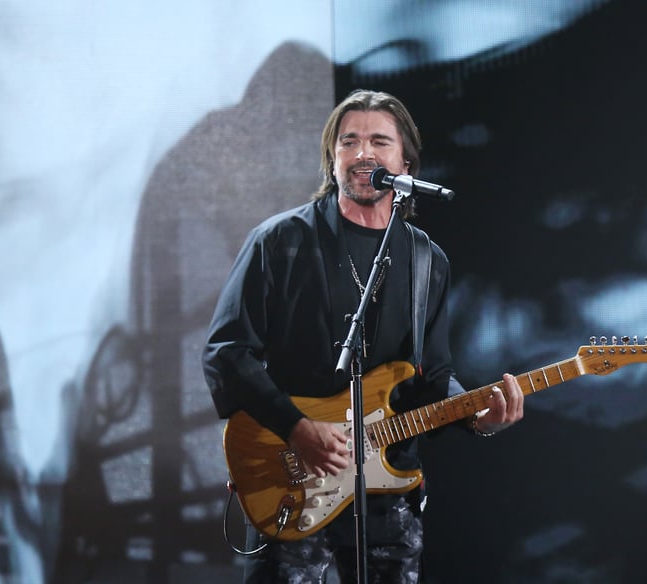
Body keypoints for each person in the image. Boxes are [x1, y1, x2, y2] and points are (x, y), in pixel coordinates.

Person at [202, 89, 524, 583]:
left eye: (379, 141)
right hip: (293, 475)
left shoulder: (426, 260)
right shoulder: (281, 242)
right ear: (332, 161)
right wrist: (296, 427)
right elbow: (227, 353)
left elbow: (432, 375)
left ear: (405, 161)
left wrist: (477, 416)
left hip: (388, 491)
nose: (364, 153)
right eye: (349, 142)